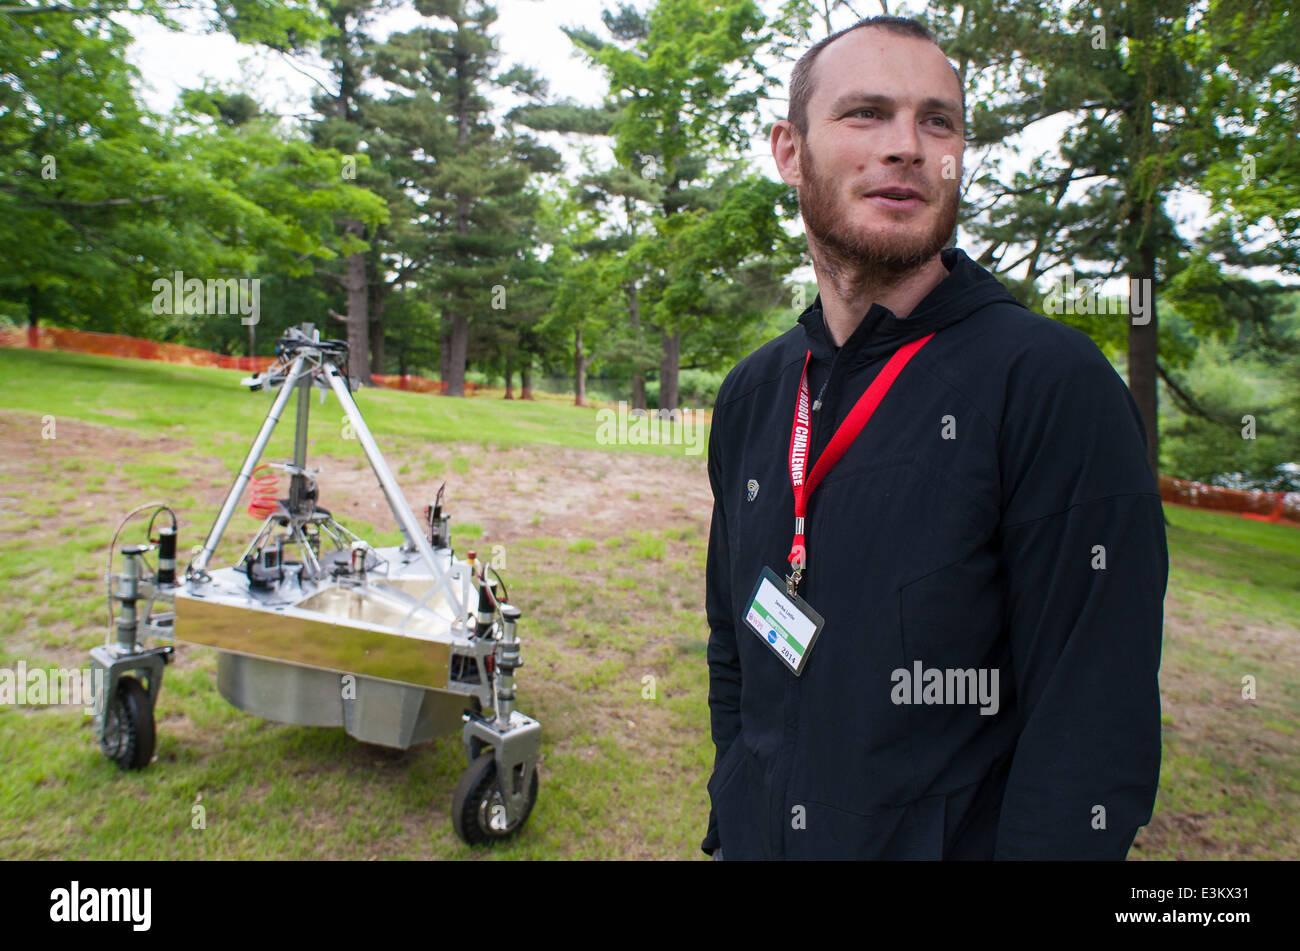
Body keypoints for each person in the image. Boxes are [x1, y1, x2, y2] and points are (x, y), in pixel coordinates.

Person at [702, 15, 1167, 860]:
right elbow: (734, 641)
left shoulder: (1052, 388)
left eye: (938, 121)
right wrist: (737, 803)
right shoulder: (753, 395)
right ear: (789, 150)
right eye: (867, 114)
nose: (908, 146)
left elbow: (1091, 733)